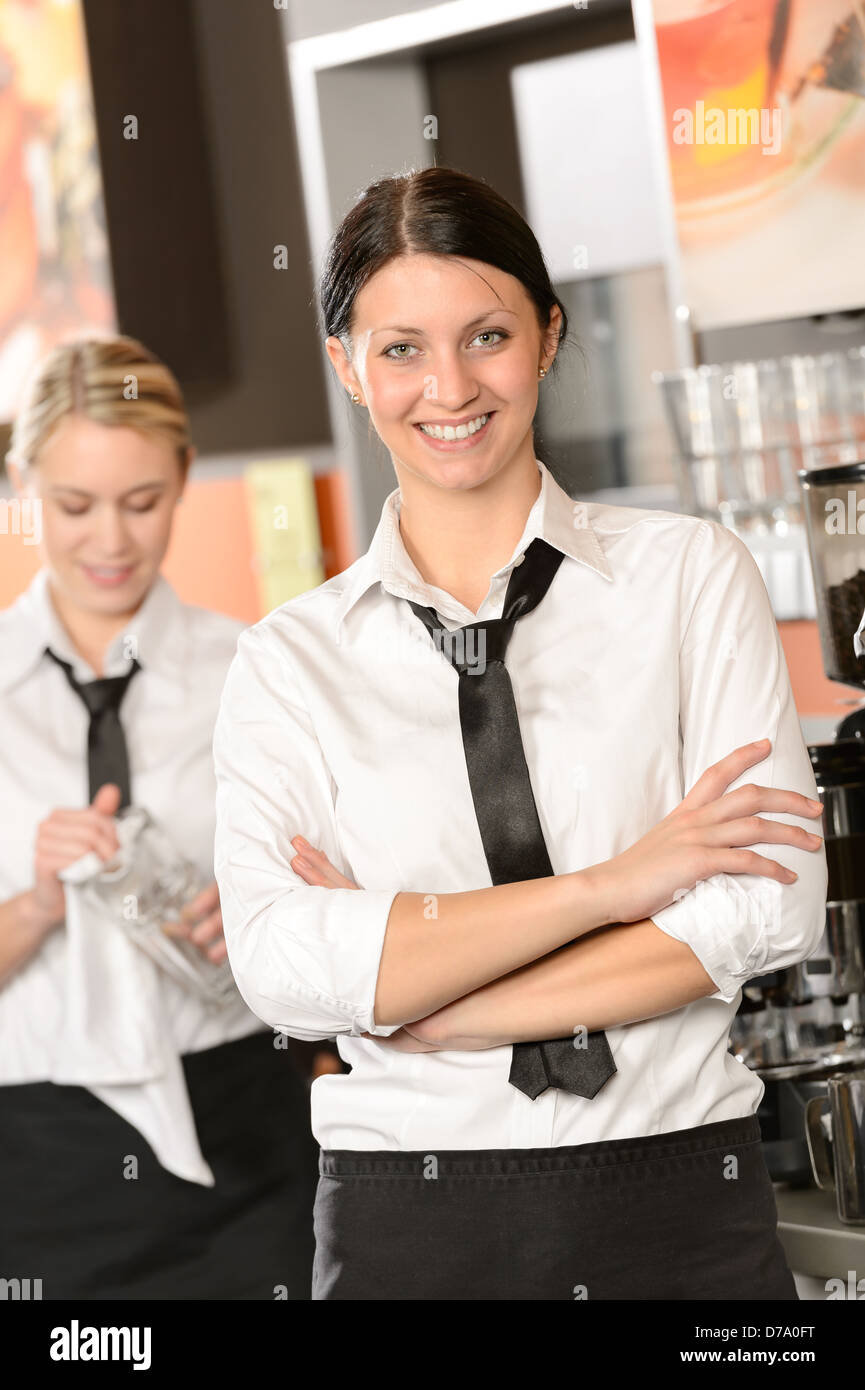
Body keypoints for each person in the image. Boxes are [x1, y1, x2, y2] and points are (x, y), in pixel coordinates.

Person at [211, 167, 828, 1301]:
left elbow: (766, 903)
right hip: (412, 1219)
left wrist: (435, 995)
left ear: (545, 336)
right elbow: (286, 969)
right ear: (347, 364)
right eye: (399, 348)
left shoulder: (688, 577)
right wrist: (617, 885)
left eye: (486, 334)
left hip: (681, 1191)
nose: (448, 385)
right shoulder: (289, 662)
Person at [0, 334, 320, 1299]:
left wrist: (270, 915)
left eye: (142, 503)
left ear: (184, 477)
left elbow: (356, 920)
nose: (110, 541)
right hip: (38, 1158)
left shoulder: (259, 670)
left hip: (250, 1123)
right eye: (73, 505)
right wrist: (35, 904)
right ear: (22, 486)